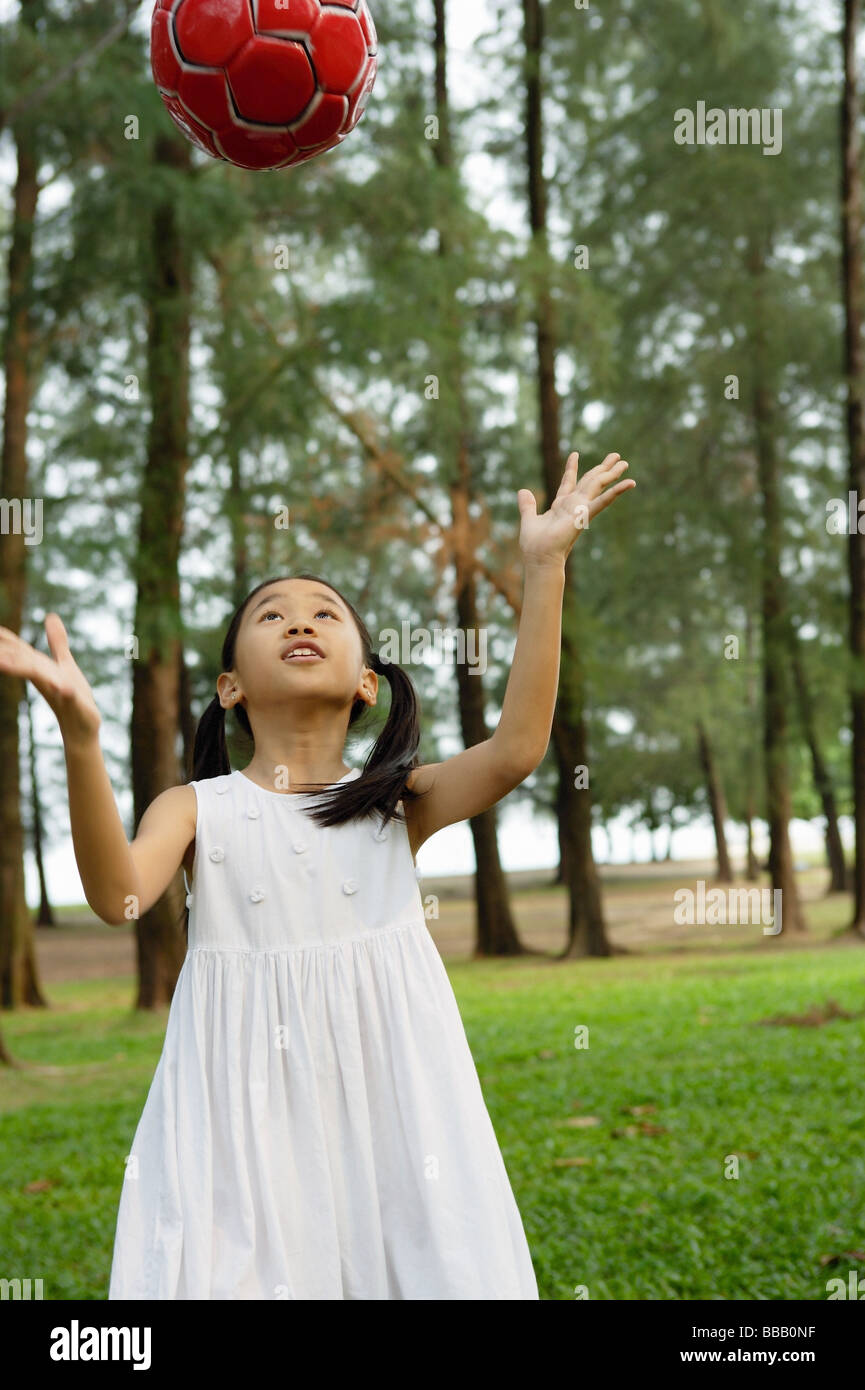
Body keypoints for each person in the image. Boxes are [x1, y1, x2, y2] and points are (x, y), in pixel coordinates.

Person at [0, 450, 634, 1299]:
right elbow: (117, 898)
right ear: (229, 686)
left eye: (325, 613)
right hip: (238, 1124)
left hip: (395, 1113)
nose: (300, 622)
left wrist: (543, 565)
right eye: (271, 615)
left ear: (367, 683)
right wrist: (82, 737)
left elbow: (518, 747)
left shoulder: (393, 803)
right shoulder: (195, 809)